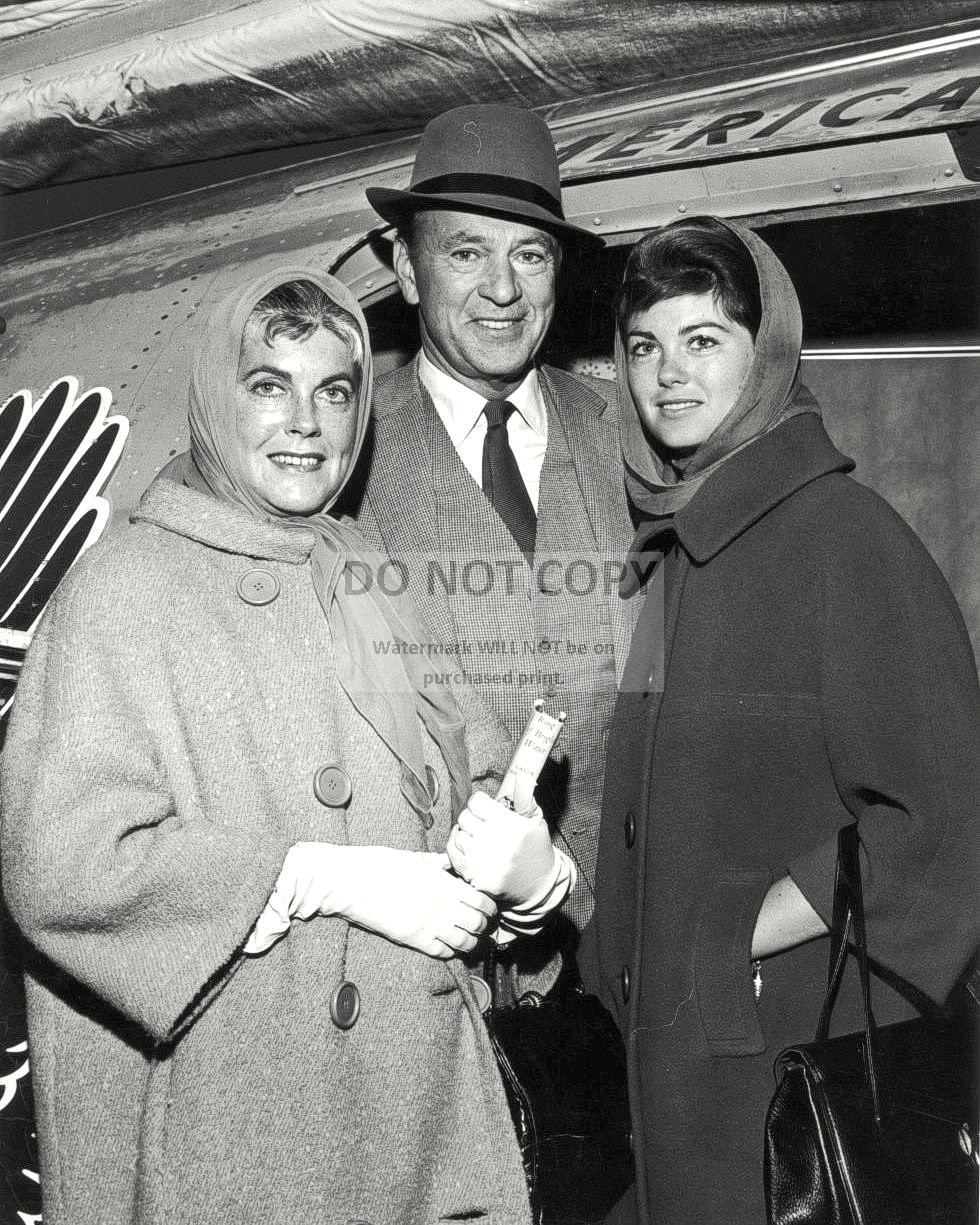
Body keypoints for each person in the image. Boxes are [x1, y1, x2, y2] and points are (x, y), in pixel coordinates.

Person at [0, 265, 570, 1225]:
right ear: (218, 402)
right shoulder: (123, 593)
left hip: (423, 1116)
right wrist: (312, 876)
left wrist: (527, 875)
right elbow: (60, 864)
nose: (307, 422)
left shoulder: (369, 574)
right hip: (241, 1136)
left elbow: (470, 784)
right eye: (270, 386)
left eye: (335, 392)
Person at [584, 216, 980, 1224]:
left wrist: (737, 934)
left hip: (777, 1071)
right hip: (675, 1075)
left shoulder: (841, 537)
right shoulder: (682, 540)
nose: (668, 374)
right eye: (644, 345)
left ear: (763, 354)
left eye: (702, 340)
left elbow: (944, 818)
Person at [357, 103, 640, 991]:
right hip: (428, 978)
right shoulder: (342, 451)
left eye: (530, 255)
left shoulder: (629, 434)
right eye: (466, 252)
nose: (503, 289)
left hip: (622, 959)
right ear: (408, 269)